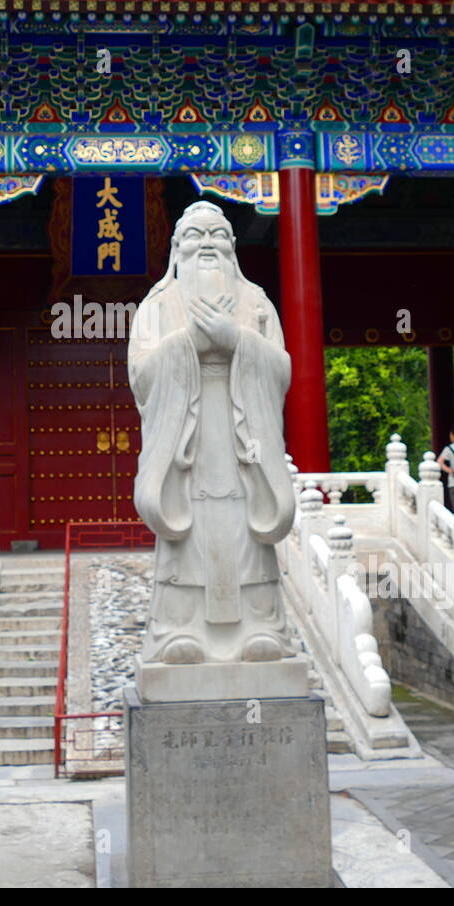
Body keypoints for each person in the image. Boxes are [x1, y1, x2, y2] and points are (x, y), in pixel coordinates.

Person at [129, 201, 296, 667]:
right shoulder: (157, 306)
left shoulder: (257, 301)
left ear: (233, 247)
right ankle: (178, 631)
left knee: (247, 527)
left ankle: (261, 626)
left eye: (217, 235)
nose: (206, 244)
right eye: (194, 236)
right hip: (186, 444)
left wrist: (237, 338)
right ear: (175, 248)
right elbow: (141, 375)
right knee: (187, 533)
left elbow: (280, 370)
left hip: (245, 443)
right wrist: (192, 344)